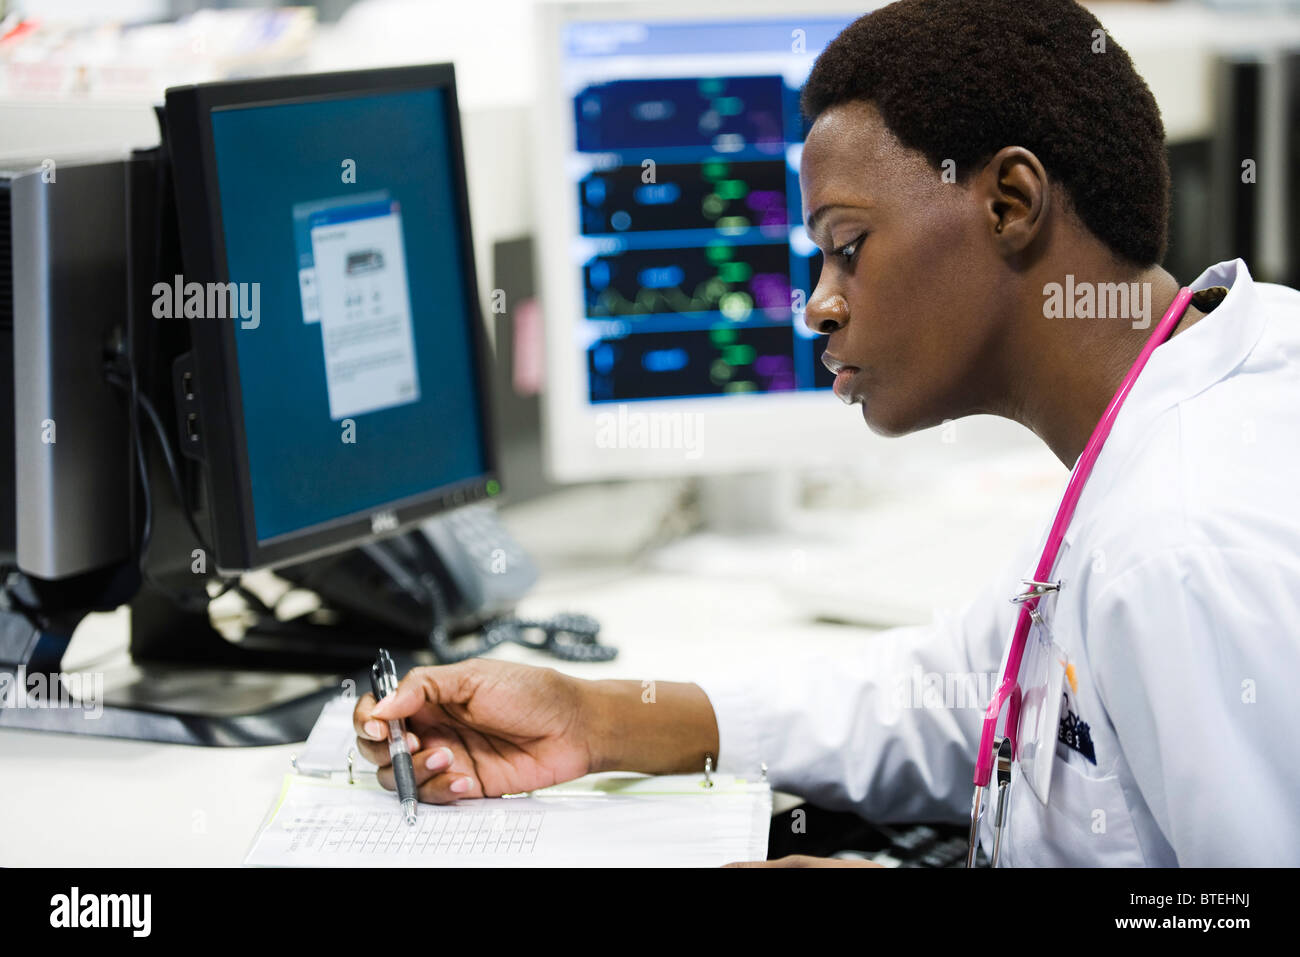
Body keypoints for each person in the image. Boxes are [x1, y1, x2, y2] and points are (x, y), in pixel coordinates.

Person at [354, 0, 1300, 866]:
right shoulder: (1176, 394)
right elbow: (962, 696)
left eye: (847, 246)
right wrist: (592, 716)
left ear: (1010, 204)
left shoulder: (1182, 547)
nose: (818, 306)